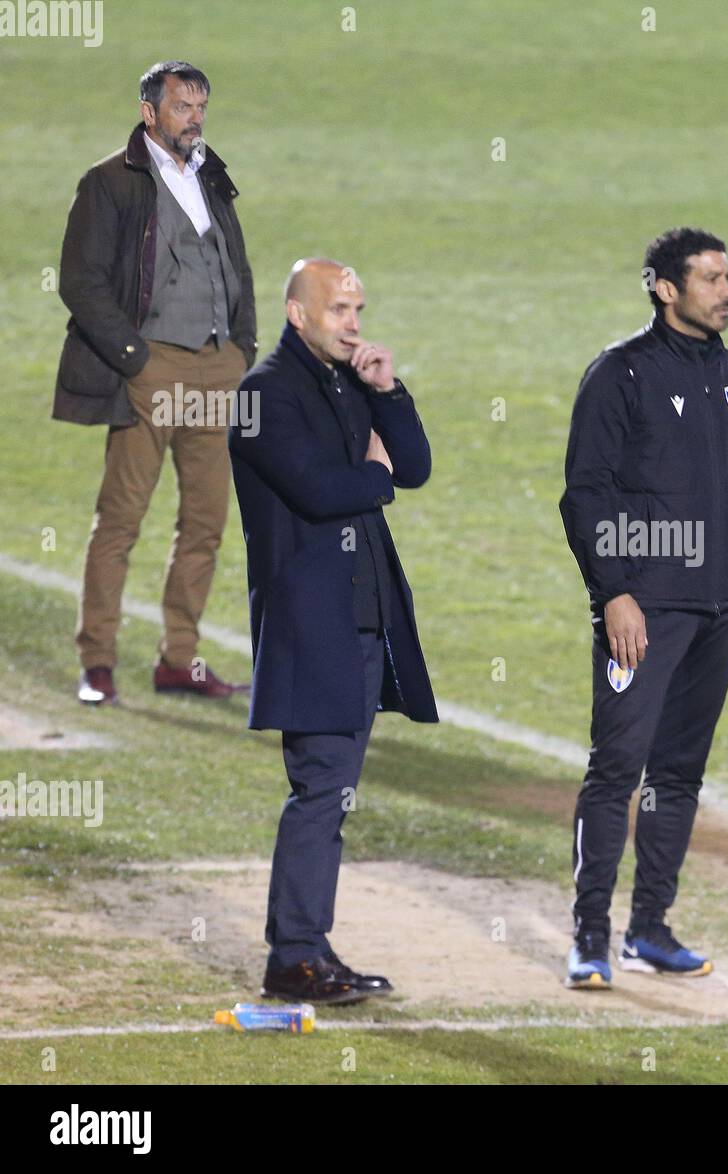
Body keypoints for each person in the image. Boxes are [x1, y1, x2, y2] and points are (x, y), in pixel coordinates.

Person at [558, 227, 728, 989]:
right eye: (711, 279)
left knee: (680, 772)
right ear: (665, 289)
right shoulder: (619, 375)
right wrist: (614, 593)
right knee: (617, 768)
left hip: (718, 607)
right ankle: (590, 937)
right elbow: (584, 493)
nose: (727, 291)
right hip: (646, 610)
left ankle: (650, 929)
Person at [228, 259, 438, 1004]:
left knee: (334, 794)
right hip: (308, 621)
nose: (354, 323)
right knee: (321, 791)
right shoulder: (261, 396)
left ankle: (310, 949)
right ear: (296, 314)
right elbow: (320, 490)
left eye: (358, 307)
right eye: (339, 309)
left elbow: (412, 467)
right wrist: (373, 475)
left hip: (359, 612)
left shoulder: (349, 380)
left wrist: (390, 393)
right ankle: (292, 958)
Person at [56, 61, 256, 704]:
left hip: (217, 368)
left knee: (205, 523)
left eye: (200, 105)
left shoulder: (212, 176)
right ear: (150, 112)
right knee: (121, 520)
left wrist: (244, 349)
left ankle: (180, 660)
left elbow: (235, 267)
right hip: (153, 368)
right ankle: (98, 662)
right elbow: (80, 282)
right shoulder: (109, 182)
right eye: (181, 106)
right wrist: (134, 357)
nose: (194, 117)